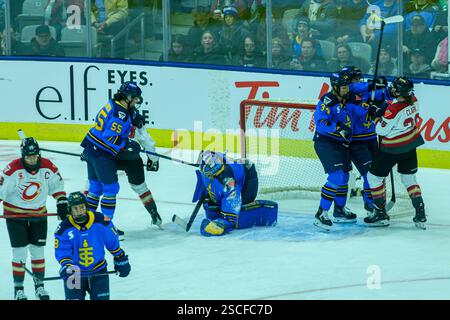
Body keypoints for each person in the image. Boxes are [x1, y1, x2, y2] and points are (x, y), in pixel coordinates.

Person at [0, 138, 68, 300]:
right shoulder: (12, 170)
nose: (32, 159)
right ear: (23, 155)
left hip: (39, 215)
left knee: (38, 252)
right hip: (15, 216)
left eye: (35, 155)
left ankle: (40, 287)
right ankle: (18, 290)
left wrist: (61, 203)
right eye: (29, 156)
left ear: (39, 154)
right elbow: (1, 191)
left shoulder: (48, 166)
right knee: (20, 252)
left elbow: (57, 187)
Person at [80, 81, 145, 227]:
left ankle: (87, 222)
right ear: (128, 97)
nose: (136, 101)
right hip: (102, 153)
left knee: (95, 188)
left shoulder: (113, 103)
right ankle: (106, 225)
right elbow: (110, 137)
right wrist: (126, 143)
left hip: (91, 147)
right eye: (135, 98)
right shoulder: (120, 115)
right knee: (110, 189)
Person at [364, 76, 426, 229]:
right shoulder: (414, 99)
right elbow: (395, 106)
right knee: (409, 179)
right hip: (410, 145)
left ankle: (380, 213)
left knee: (374, 178)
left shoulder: (393, 110)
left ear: (398, 91)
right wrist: (384, 106)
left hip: (392, 149)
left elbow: (381, 129)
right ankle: (420, 212)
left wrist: (376, 116)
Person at [312, 71, 369, 230]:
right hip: (326, 143)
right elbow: (320, 123)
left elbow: (361, 110)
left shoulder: (350, 96)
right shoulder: (327, 101)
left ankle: (339, 210)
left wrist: (372, 107)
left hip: (342, 144)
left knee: (344, 178)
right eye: (343, 87)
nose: (346, 90)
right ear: (335, 87)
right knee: (336, 176)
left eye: (347, 87)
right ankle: (321, 213)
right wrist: (337, 128)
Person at [55, 191, 130, 300]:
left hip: (99, 271)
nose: (79, 211)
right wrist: (67, 266)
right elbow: (62, 251)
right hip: (74, 274)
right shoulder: (63, 229)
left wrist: (120, 257)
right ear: (70, 210)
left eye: (81, 207)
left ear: (86, 207)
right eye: (75, 209)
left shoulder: (102, 220)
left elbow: (112, 241)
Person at [193, 151, 277, 236]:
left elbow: (233, 199)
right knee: (218, 196)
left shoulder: (227, 180)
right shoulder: (211, 159)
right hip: (237, 168)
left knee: (242, 202)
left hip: (248, 177)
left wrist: (225, 221)